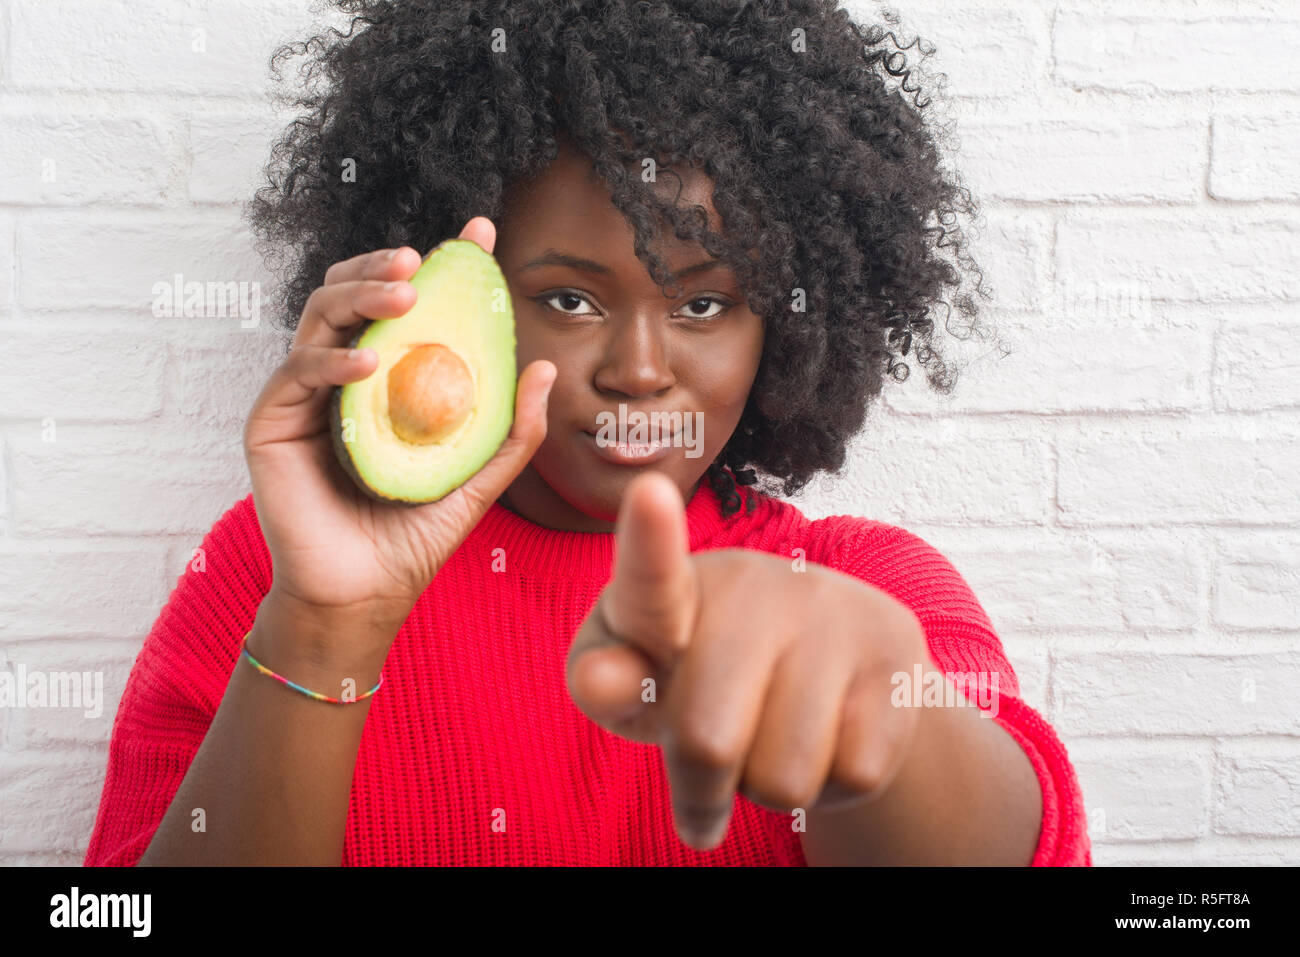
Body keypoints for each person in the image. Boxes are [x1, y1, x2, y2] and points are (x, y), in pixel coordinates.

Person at [83, 0, 1090, 866]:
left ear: (785, 327)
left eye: (703, 308)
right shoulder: (269, 583)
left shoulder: (868, 588)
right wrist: (325, 624)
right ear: (442, 298)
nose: (641, 370)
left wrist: (885, 720)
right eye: (567, 297)